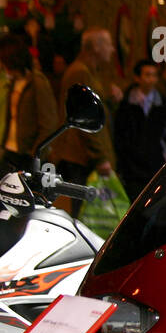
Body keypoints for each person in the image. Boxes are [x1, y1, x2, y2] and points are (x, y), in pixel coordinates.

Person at [50, 28, 115, 216]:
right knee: (79, 212)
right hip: (80, 157)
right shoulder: (80, 72)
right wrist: (101, 157)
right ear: (95, 47)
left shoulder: (89, 71)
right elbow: (84, 121)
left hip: (83, 156)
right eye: (108, 44)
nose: (112, 49)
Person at [114, 60, 166, 199]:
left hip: (155, 166)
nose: (151, 79)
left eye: (154, 75)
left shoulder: (163, 104)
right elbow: (120, 135)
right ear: (137, 78)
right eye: (147, 75)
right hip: (132, 169)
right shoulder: (126, 104)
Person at [0, 32, 59, 168]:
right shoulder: (14, 81)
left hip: (27, 154)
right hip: (10, 149)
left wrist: (36, 153)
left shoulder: (37, 82)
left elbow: (48, 123)